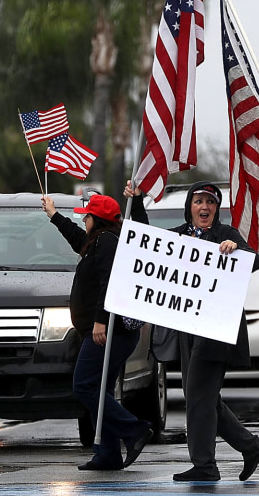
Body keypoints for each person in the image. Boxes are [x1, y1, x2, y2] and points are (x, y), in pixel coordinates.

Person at [126, 180, 259, 481]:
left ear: (216, 209)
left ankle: (205, 465)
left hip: (216, 330)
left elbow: (254, 260)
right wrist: (137, 201)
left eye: (210, 202)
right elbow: (145, 242)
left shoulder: (225, 234)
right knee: (202, 396)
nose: (204, 207)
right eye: (198, 201)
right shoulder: (178, 236)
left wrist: (236, 249)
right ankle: (251, 445)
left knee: (198, 397)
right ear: (189, 207)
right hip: (187, 329)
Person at [43, 193, 154, 471]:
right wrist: (55, 216)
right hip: (105, 332)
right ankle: (108, 454)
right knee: (101, 389)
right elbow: (78, 240)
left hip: (108, 332)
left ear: (98, 220)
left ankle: (135, 429)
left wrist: (100, 321)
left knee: (84, 386)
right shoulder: (99, 242)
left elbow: (109, 282)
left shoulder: (107, 243)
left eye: (87, 216)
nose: (84, 218)